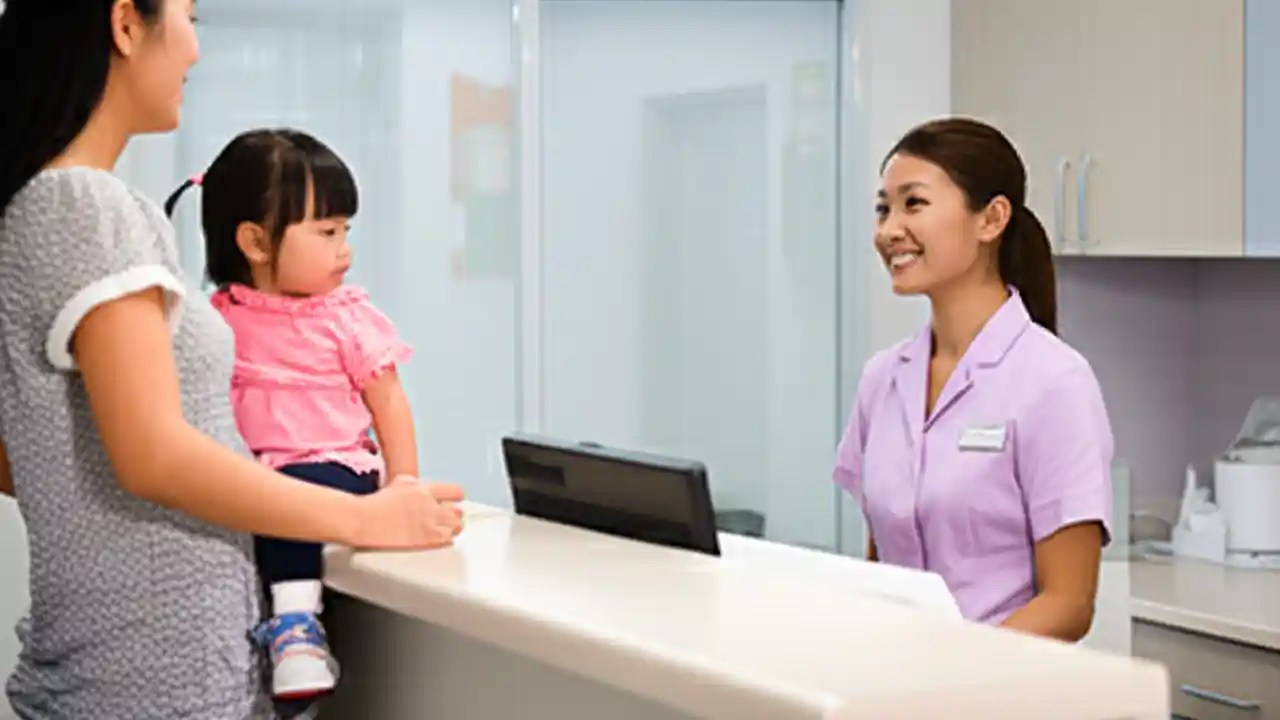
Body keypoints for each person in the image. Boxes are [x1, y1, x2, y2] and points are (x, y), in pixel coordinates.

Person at [0, 1, 464, 718]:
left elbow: (29, 452)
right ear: (127, 25)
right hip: (154, 683)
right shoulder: (86, 207)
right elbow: (152, 456)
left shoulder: (35, 208)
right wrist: (368, 519)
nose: (193, 47)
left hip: (125, 670)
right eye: (187, 15)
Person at [834, 117, 1113, 642]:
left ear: (992, 219)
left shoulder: (1055, 382)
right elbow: (883, 564)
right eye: (883, 208)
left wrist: (953, 671)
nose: (889, 230)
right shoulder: (882, 380)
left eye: (913, 204)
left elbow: (1070, 604)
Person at [164, 128, 418, 701]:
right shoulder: (215, 319)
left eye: (346, 231)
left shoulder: (347, 317)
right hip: (251, 476)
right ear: (255, 242)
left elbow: (390, 405)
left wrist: (403, 489)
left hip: (330, 470)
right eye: (327, 232)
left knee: (296, 492)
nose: (344, 249)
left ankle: (297, 627)